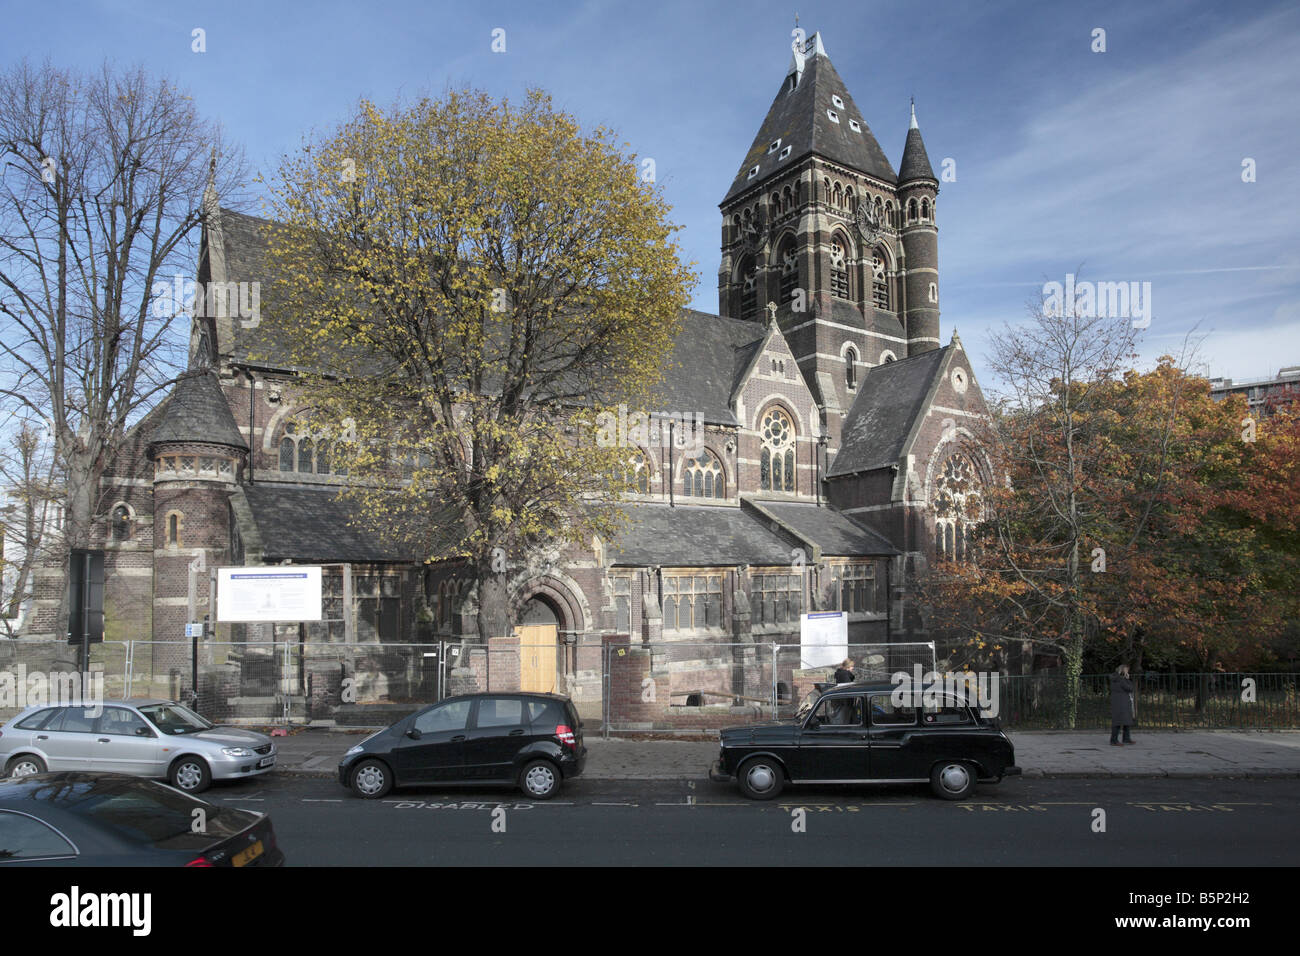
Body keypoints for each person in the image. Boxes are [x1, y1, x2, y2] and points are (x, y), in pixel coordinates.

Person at [1109, 664, 1135, 746]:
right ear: (1123, 670)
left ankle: (1124, 738)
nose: (1127, 671)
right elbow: (1130, 688)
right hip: (1122, 702)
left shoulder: (1114, 678)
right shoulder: (1121, 679)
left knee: (1122, 721)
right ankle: (1115, 740)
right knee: (1120, 721)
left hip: (1118, 702)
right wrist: (1128, 679)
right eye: (1126, 670)